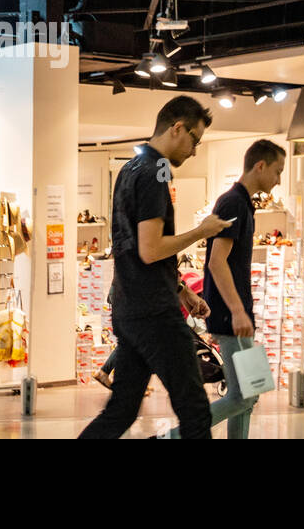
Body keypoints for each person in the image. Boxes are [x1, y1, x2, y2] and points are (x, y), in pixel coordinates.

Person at [78, 96, 230, 440]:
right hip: (154, 313)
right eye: (195, 139)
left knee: (122, 410)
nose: (194, 151)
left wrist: (180, 288)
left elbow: (136, 248)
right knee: (194, 407)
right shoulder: (156, 171)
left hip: (131, 307)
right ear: (177, 128)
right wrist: (201, 231)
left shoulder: (131, 167)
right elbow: (150, 250)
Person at [199, 139, 286, 440]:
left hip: (238, 313)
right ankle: (176, 434)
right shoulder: (233, 202)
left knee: (250, 394)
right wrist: (237, 311)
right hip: (229, 314)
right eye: (277, 171)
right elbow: (216, 262)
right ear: (260, 166)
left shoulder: (243, 203)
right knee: (241, 395)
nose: (278, 180)